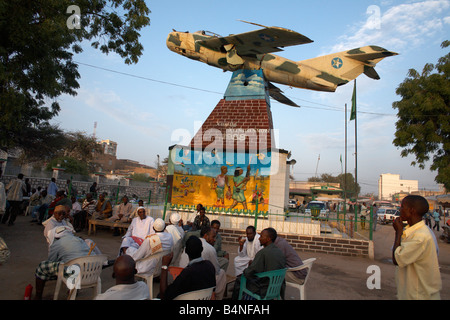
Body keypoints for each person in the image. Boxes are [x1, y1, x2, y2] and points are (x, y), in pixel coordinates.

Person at [392, 195, 441, 300]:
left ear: (411, 210)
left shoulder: (420, 237)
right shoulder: (413, 232)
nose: (400, 210)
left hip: (419, 296)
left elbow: (396, 259)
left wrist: (398, 233)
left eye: (402, 207)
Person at [34, 226, 90, 300]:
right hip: (91, 271)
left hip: (75, 273)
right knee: (73, 262)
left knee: (42, 267)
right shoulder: (79, 240)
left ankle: (38, 296)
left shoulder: (57, 244)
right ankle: (73, 290)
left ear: (55, 237)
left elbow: (52, 261)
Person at [231, 227, 286, 300]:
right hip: (277, 287)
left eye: (262, 237)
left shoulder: (263, 253)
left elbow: (249, 272)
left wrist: (244, 272)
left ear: (268, 239)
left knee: (240, 279)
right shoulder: (279, 252)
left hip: (263, 288)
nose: (259, 238)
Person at [159, 236, 216, 300]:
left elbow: (164, 295)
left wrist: (164, 266)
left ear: (185, 251)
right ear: (202, 249)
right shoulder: (210, 266)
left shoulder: (187, 273)